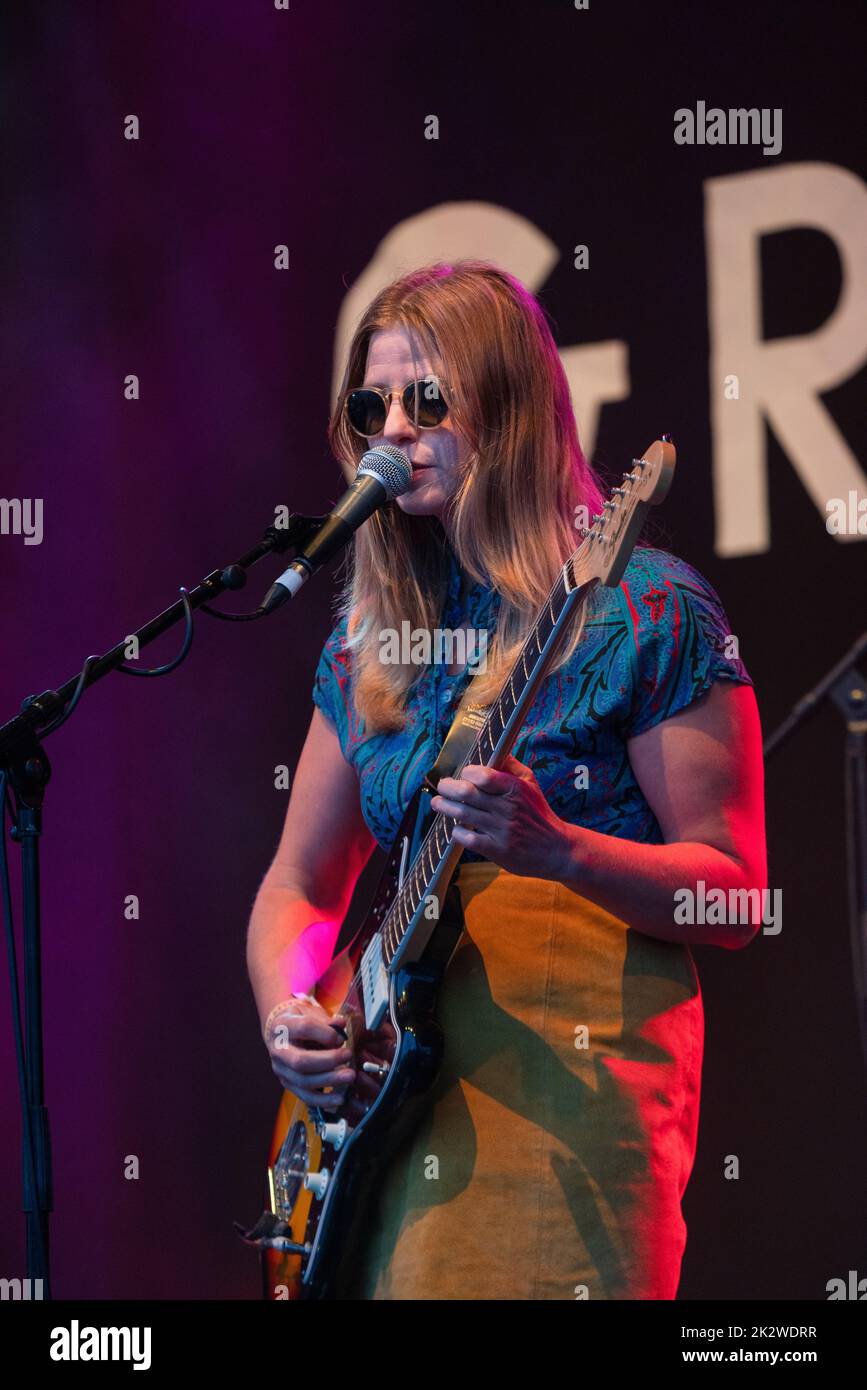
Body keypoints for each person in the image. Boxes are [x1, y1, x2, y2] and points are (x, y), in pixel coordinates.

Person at [246, 259, 767, 1300]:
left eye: (426, 399)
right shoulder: (369, 646)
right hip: (389, 1105)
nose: (391, 427)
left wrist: (558, 849)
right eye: (372, 404)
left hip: (565, 1088)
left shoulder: (647, 607)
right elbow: (298, 887)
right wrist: (292, 1012)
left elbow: (738, 891)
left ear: (512, 412)